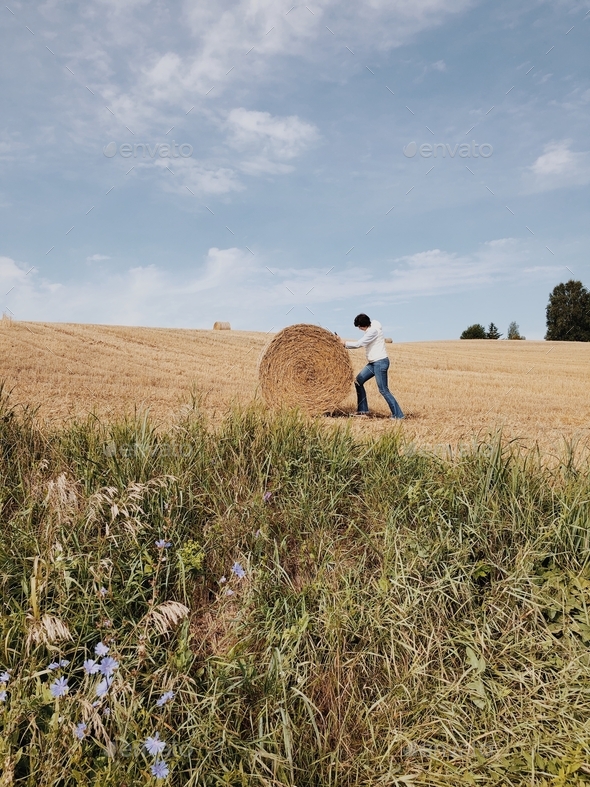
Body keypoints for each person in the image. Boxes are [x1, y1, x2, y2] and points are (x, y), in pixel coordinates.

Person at [341, 313, 404, 419]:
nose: (359, 329)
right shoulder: (374, 325)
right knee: (358, 381)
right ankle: (363, 410)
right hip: (373, 363)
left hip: (380, 362)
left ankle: (398, 415)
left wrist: (344, 343)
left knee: (383, 390)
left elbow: (359, 344)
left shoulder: (372, 332)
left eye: (359, 327)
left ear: (362, 326)